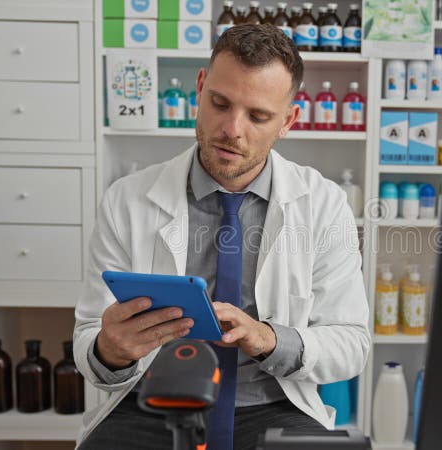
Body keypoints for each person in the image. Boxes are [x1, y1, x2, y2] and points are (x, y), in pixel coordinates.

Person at [73, 24, 370, 450]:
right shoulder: (126, 200)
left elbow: (352, 343)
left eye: (258, 116)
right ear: (200, 87)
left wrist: (268, 339)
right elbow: (89, 345)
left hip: (272, 403)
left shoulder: (324, 204)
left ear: (287, 120)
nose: (232, 129)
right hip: (149, 402)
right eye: (220, 103)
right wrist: (111, 349)